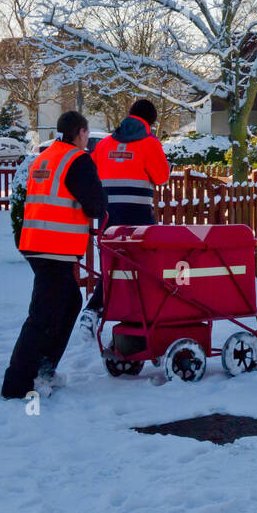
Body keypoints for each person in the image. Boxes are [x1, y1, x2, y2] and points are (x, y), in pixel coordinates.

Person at [0, 111, 106, 400]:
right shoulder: (77, 160)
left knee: (70, 302)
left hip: (36, 243)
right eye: (86, 135)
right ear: (81, 133)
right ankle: (18, 384)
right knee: (43, 315)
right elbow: (96, 204)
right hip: (55, 248)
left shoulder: (45, 157)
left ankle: (44, 369)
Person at [78, 98, 171, 336]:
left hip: (108, 213)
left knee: (112, 265)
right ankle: (146, 312)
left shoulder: (106, 143)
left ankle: (94, 309)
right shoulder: (149, 143)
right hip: (138, 212)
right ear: (150, 121)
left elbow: (93, 172)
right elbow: (161, 177)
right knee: (147, 264)